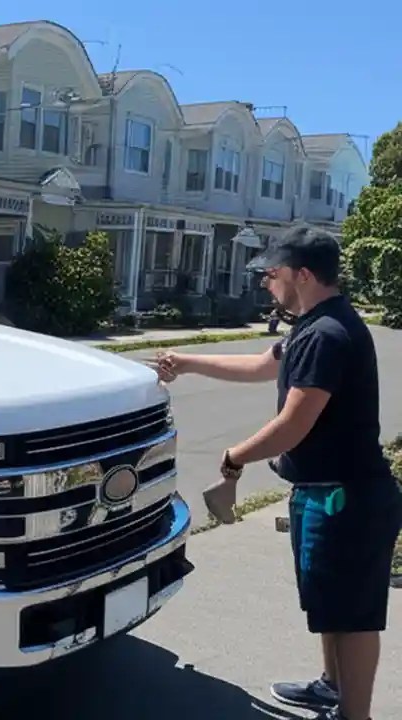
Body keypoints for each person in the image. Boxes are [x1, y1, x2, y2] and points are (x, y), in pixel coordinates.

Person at [153, 225, 402, 720]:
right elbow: (260, 366)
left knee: (352, 617)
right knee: (332, 605)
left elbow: (294, 424)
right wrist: (188, 362)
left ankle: (356, 714)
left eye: (273, 273)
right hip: (329, 492)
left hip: (347, 498)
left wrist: (233, 458)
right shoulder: (313, 325)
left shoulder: (328, 334)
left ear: (303, 275)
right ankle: (333, 686)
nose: (267, 282)